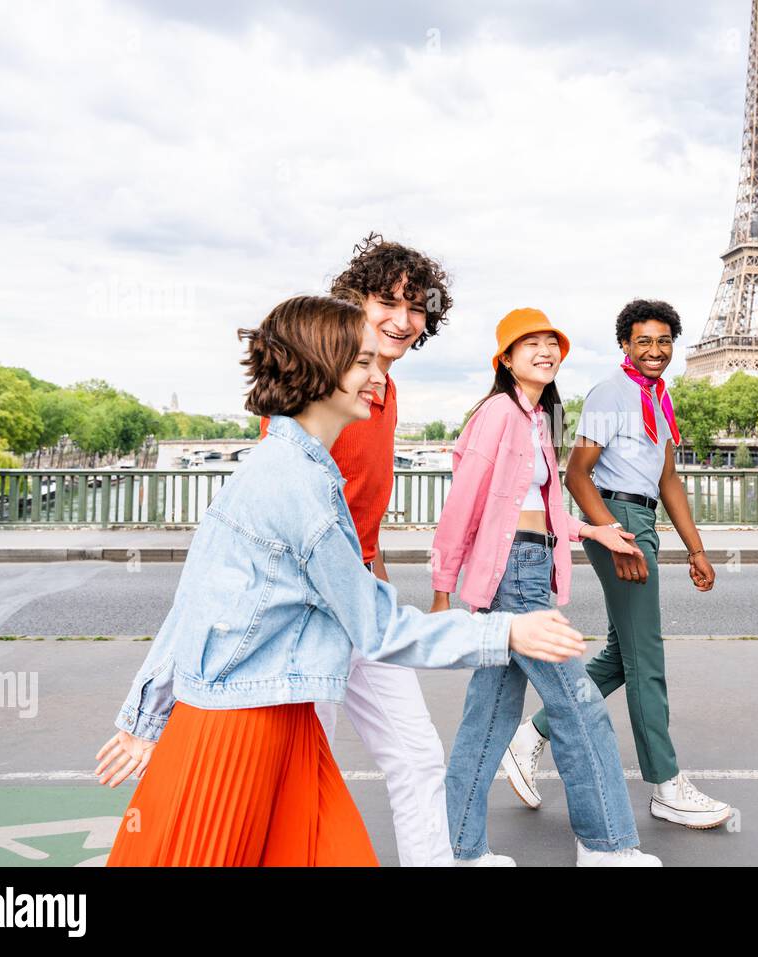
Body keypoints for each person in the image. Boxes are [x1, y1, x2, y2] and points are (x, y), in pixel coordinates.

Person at [96, 294, 586, 866]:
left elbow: (193, 604)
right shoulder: (303, 491)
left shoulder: (281, 467)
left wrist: (144, 717)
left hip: (276, 721)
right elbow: (376, 628)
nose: (378, 376)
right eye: (362, 363)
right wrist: (508, 633)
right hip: (245, 735)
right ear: (318, 370)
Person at [430, 308, 661, 867]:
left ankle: (455, 850)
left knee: (489, 717)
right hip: (514, 576)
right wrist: (441, 589)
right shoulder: (498, 415)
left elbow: (536, 508)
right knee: (579, 706)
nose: (544, 351)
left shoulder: (534, 419)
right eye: (528, 344)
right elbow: (464, 504)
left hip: (527, 566)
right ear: (505, 359)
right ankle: (606, 846)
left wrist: (595, 531)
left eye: (551, 343)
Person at [257, 234, 458, 866]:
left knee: (418, 753)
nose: (403, 319)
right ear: (353, 301)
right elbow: (289, 495)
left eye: (416, 306)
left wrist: (376, 570)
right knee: (307, 764)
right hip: (308, 603)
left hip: (363, 592)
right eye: (386, 301)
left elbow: (359, 502)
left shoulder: (385, 388)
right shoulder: (319, 383)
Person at [505, 299, 733, 829]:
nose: (655, 351)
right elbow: (577, 474)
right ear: (625, 346)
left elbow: (668, 480)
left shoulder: (659, 396)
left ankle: (531, 734)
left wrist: (696, 550)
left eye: (663, 341)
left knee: (623, 652)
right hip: (618, 520)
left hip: (641, 518)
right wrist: (613, 537)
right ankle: (666, 785)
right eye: (643, 341)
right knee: (647, 657)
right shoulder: (612, 393)